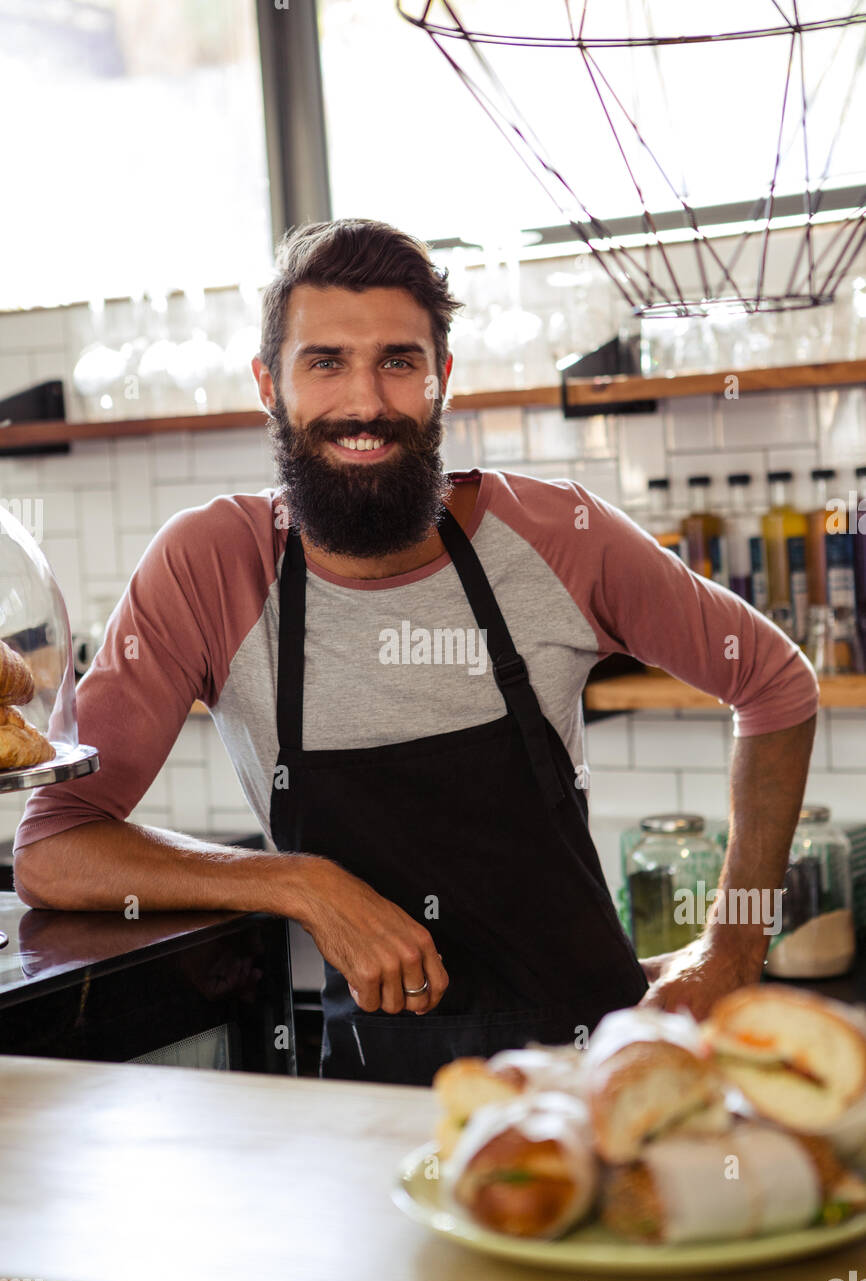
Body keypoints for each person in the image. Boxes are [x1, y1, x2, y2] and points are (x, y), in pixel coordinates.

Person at [14, 219, 819, 1085]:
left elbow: (775, 683)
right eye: (325, 362)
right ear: (269, 385)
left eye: (398, 361)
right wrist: (301, 884)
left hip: (595, 1082)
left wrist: (732, 947)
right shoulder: (211, 565)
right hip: (365, 1101)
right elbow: (54, 847)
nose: (364, 403)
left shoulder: (563, 535)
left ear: (441, 381)